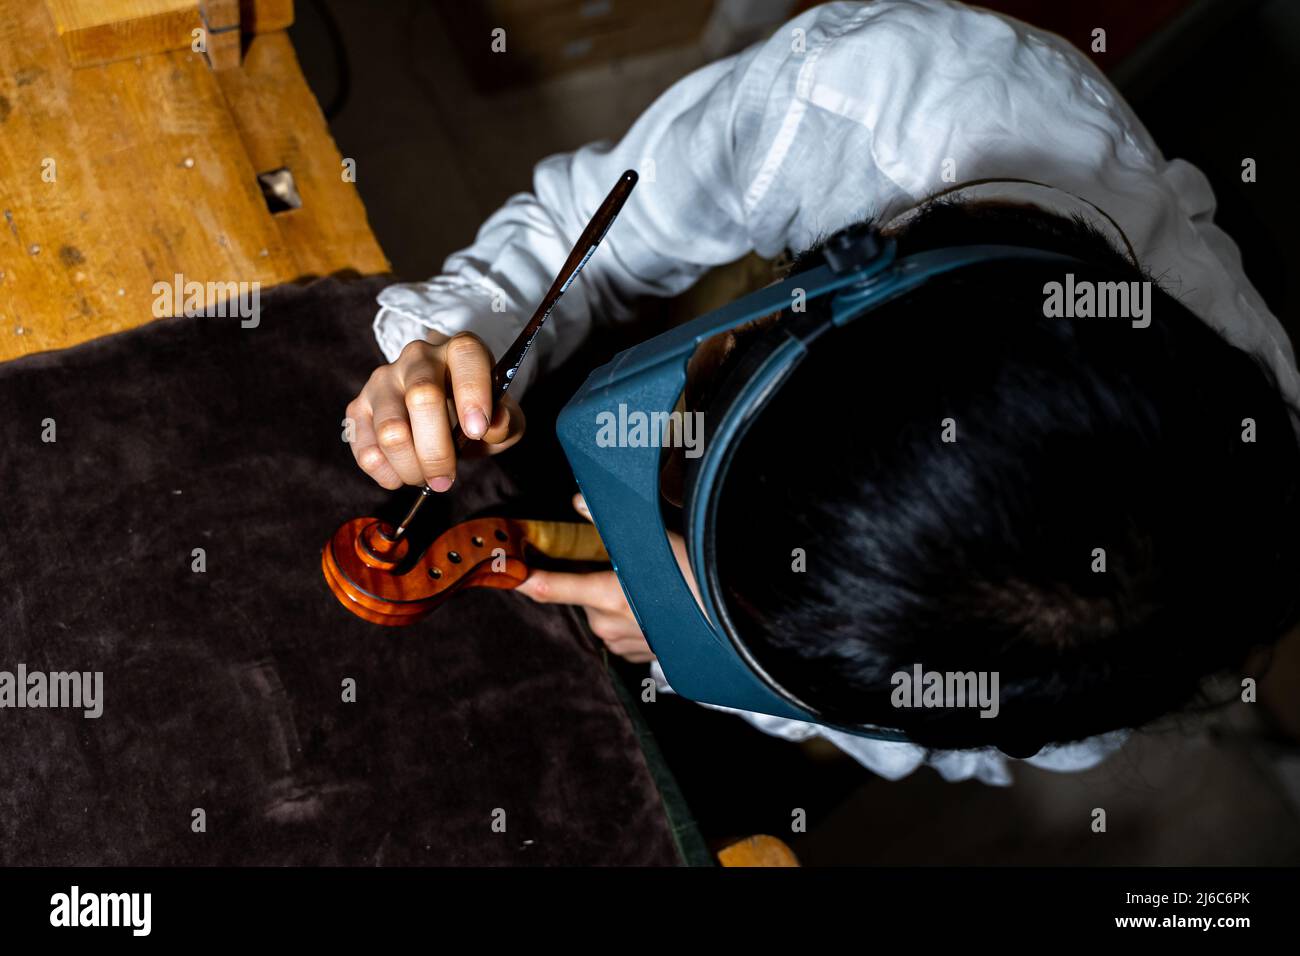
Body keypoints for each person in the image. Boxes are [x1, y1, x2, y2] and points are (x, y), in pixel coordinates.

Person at [343, 0, 1300, 785]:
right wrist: (457, 337)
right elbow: (589, 238)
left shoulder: (1130, 655)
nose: (602, 503)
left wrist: (723, 653)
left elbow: (937, 734)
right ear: (843, 283)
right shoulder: (862, 98)